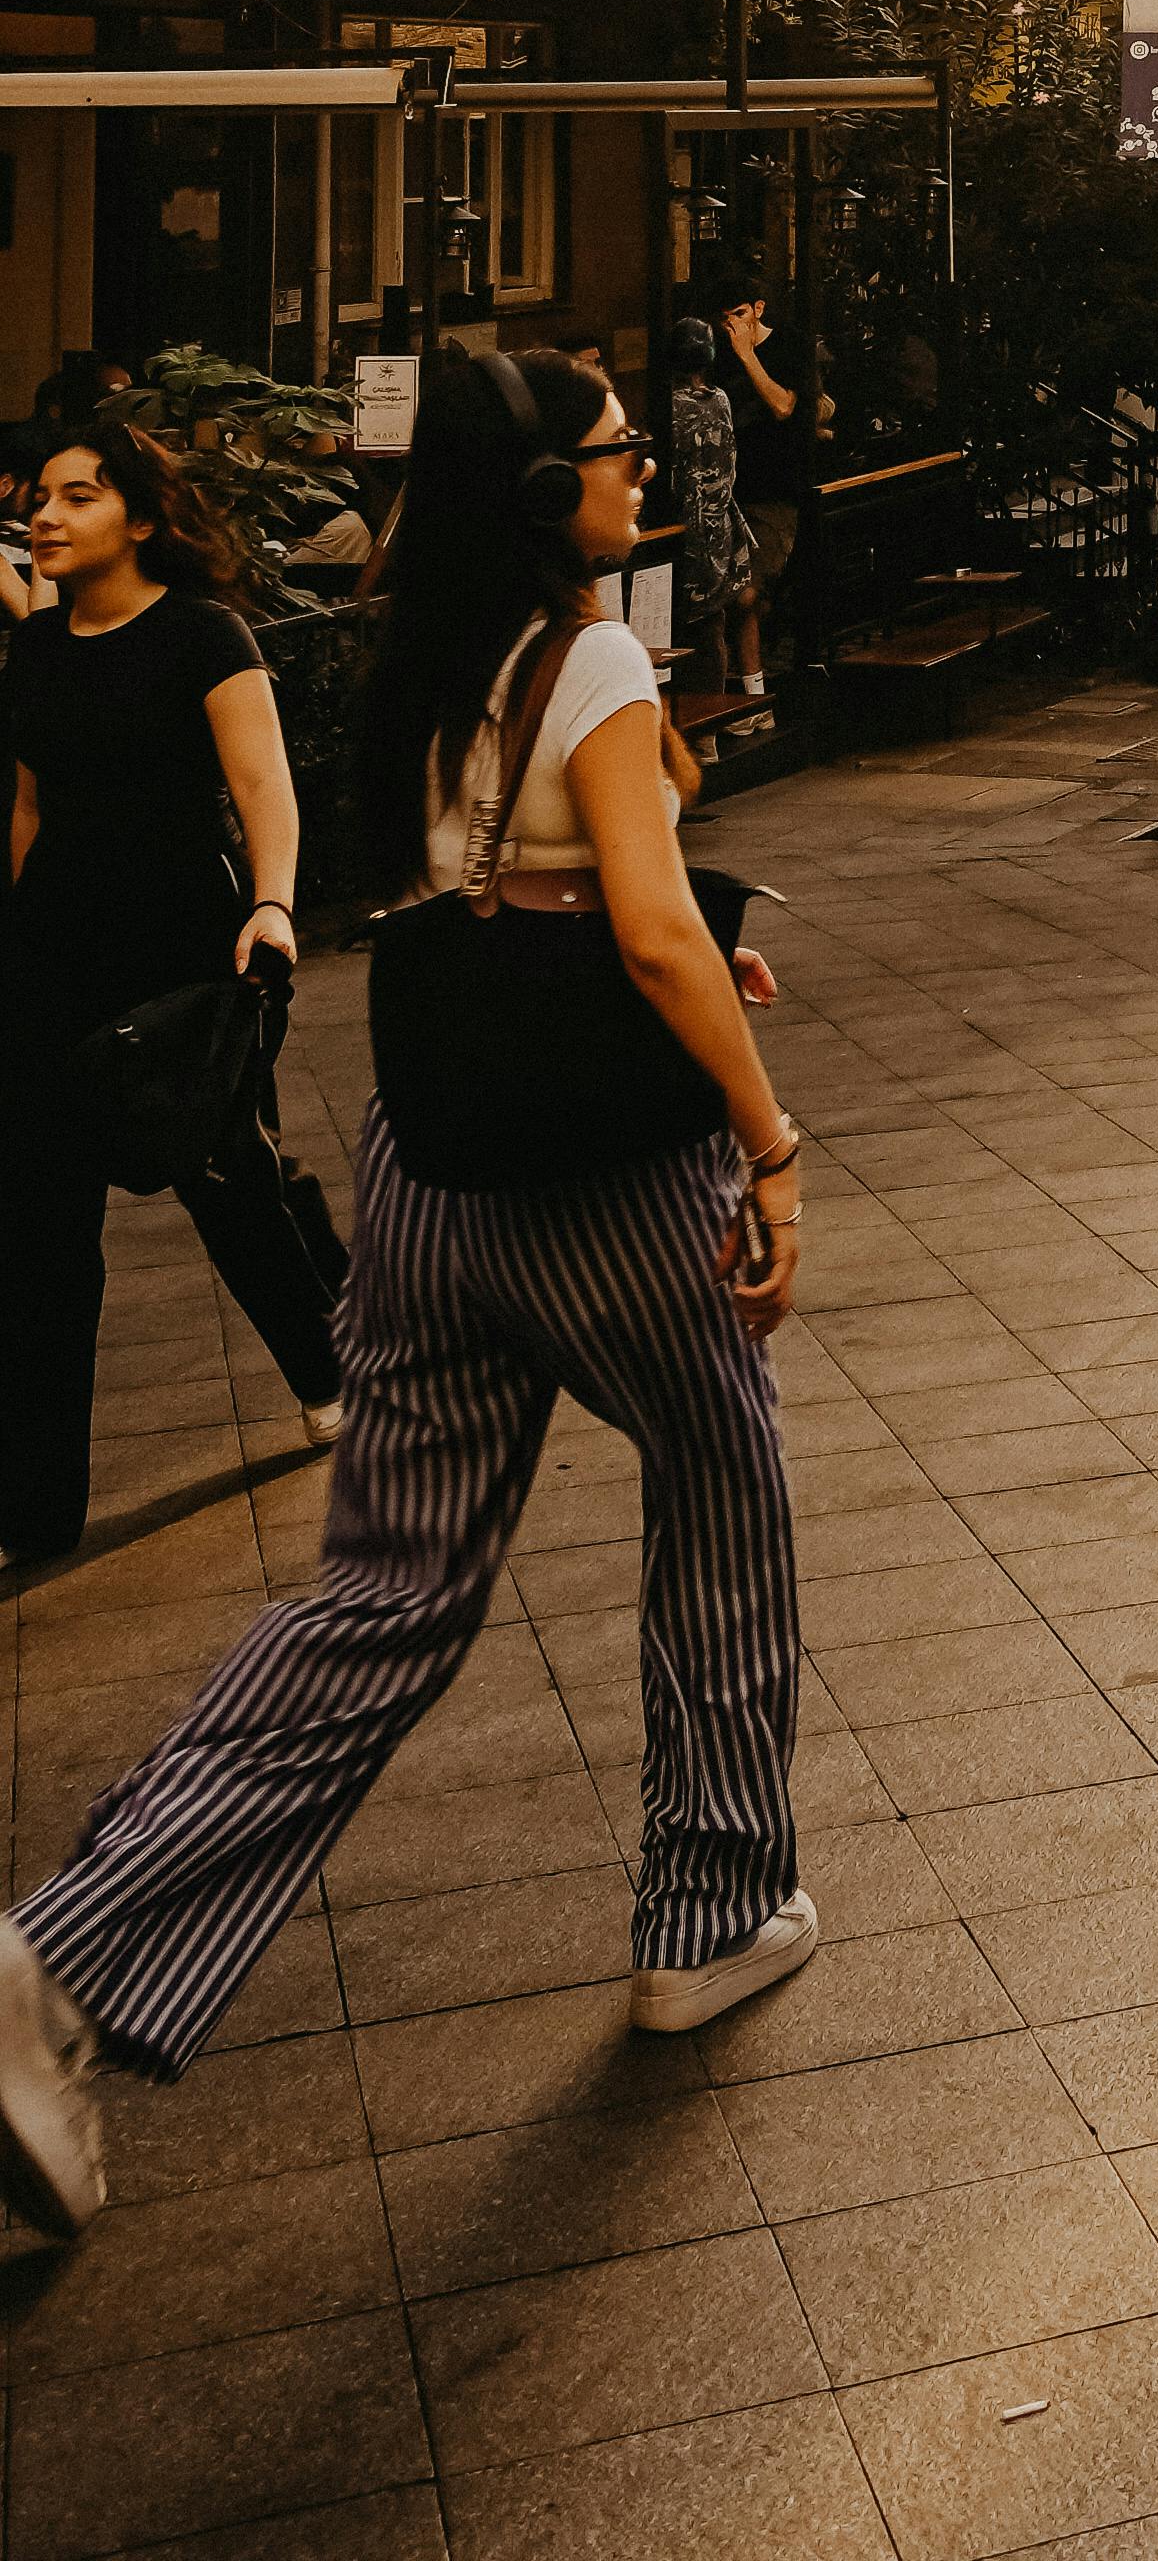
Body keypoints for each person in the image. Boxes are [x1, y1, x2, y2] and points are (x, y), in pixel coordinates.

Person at [0, 353, 816, 2243]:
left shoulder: (419, 658)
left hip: (427, 1177)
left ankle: (53, 1957)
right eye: (611, 454)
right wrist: (765, 1142)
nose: (634, 474)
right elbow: (643, 919)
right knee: (721, 1477)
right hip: (607, 1194)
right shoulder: (592, 659)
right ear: (546, 492)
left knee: (382, 1596)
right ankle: (706, 1909)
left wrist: (672, 949)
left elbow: (485, 880)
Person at [2, 419, 347, 1560]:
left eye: (79, 497)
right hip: (52, 958)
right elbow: (32, 807)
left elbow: (266, 789)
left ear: (142, 518)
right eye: (41, 496)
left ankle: (330, 1368)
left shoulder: (205, 635)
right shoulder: (38, 649)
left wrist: (274, 905)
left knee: (230, 1179)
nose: (47, 515)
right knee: (40, 1229)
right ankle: (38, 1505)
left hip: (185, 949)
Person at [666, 315, 760, 702]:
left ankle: (703, 724)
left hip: (690, 529)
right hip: (718, 524)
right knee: (712, 625)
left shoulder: (673, 407)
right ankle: (712, 723)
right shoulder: (720, 399)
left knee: (697, 628)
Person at [717, 296, 807, 634]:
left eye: (739, 314)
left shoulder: (787, 346)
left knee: (749, 592)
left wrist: (747, 354)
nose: (734, 326)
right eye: (726, 319)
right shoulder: (719, 355)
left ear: (758, 309)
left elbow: (783, 406)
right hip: (733, 492)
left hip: (774, 491)